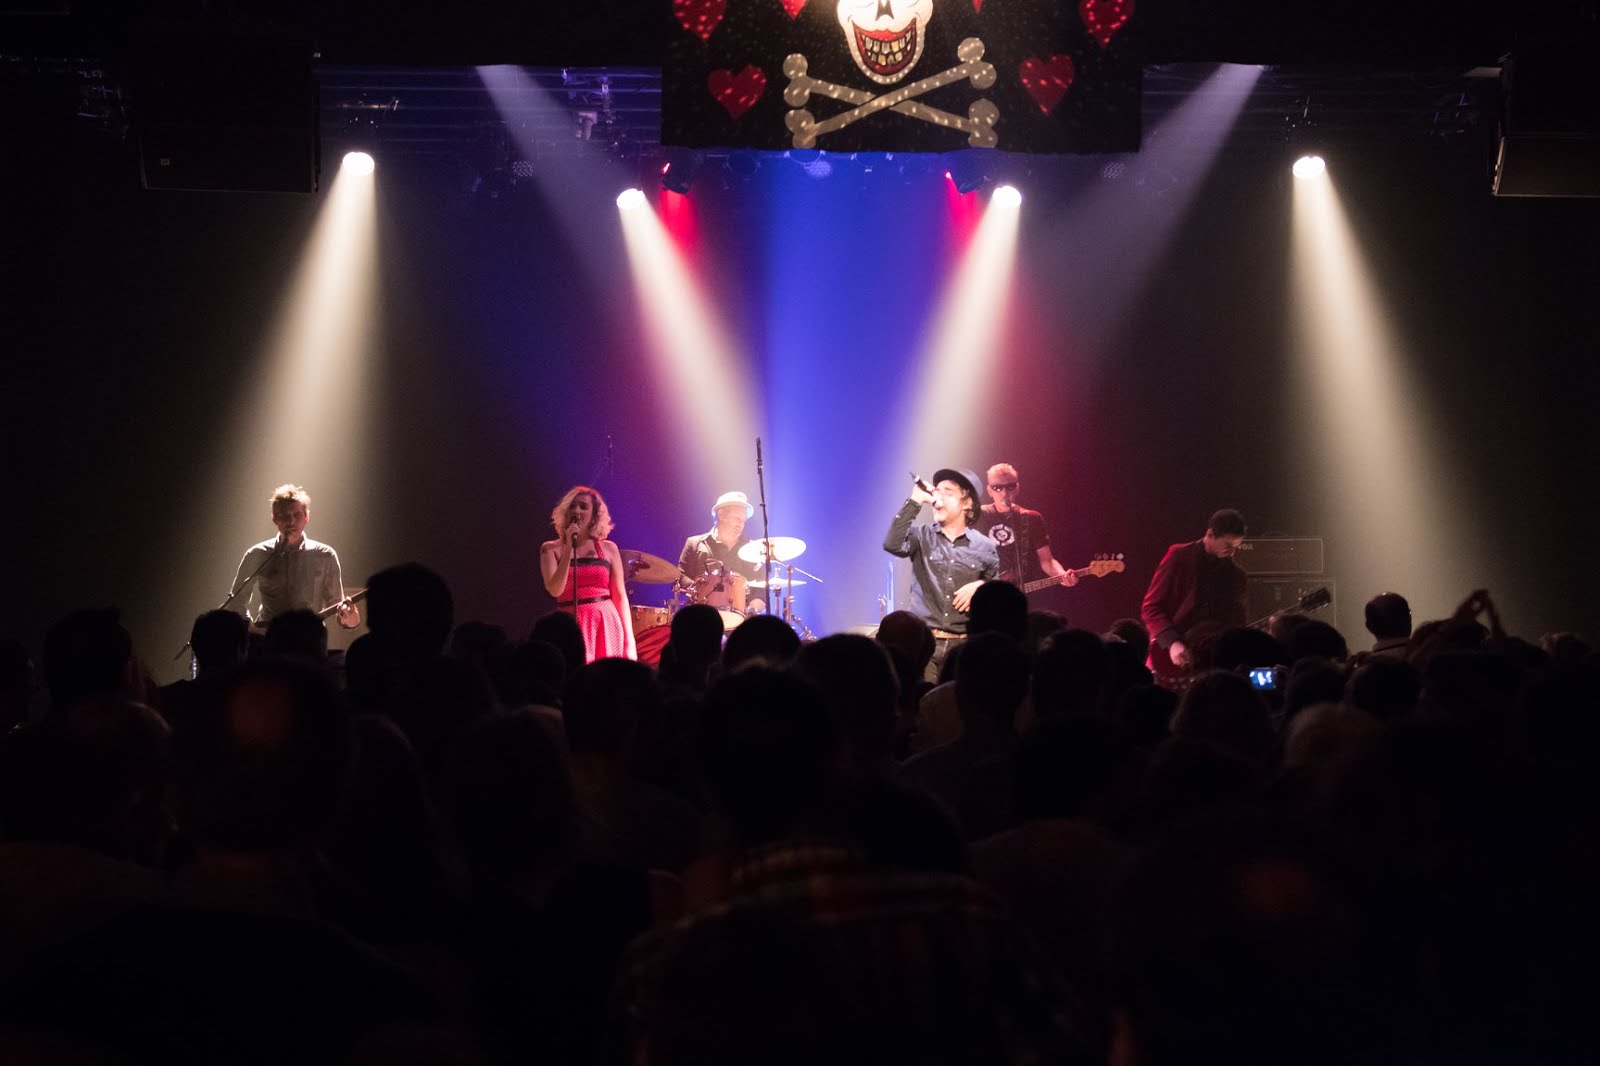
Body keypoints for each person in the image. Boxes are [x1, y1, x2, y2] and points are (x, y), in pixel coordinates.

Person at [884, 468, 999, 681]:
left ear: (967, 503)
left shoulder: (985, 546)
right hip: (923, 645)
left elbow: (998, 594)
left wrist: (982, 586)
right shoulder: (921, 535)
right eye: (937, 491)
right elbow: (892, 544)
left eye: (948, 492)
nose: (938, 497)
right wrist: (915, 501)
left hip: (962, 650)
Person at [228, 484, 360, 631]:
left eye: (296, 515)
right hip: (268, 642)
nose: (291, 521)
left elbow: (338, 607)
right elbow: (236, 602)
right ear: (274, 518)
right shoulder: (257, 554)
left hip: (309, 643)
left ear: (306, 517)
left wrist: (351, 619)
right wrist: (253, 630)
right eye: (284, 516)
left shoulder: (325, 555)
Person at [1141, 509, 1249, 686]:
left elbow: (1238, 623)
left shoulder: (1237, 576)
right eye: (1227, 546)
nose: (1232, 552)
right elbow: (1151, 607)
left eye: (1236, 547)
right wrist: (1172, 642)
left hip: (1214, 664)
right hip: (1173, 656)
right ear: (1210, 534)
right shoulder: (1179, 556)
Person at [540, 485, 636, 662]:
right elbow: (555, 590)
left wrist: (630, 643)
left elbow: (620, 597)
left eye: (583, 506)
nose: (577, 510)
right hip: (570, 624)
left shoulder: (609, 548)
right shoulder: (550, 549)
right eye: (572, 506)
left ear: (594, 515)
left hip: (604, 622)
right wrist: (569, 546)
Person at [972, 462, 1077, 594]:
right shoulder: (979, 515)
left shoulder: (1032, 518)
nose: (1004, 492)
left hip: (1022, 593)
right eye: (997, 487)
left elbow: (1047, 561)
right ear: (989, 491)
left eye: (1010, 486)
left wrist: (1062, 575)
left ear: (1017, 488)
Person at [678, 490, 766, 615]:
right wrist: (698, 588)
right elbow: (679, 576)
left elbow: (760, 586)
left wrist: (756, 602)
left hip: (739, 618)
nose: (740, 525)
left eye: (743, 521)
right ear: (721, 515)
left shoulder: (752, 549)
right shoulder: (694, 543)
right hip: (699, 615)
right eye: (737, 518)